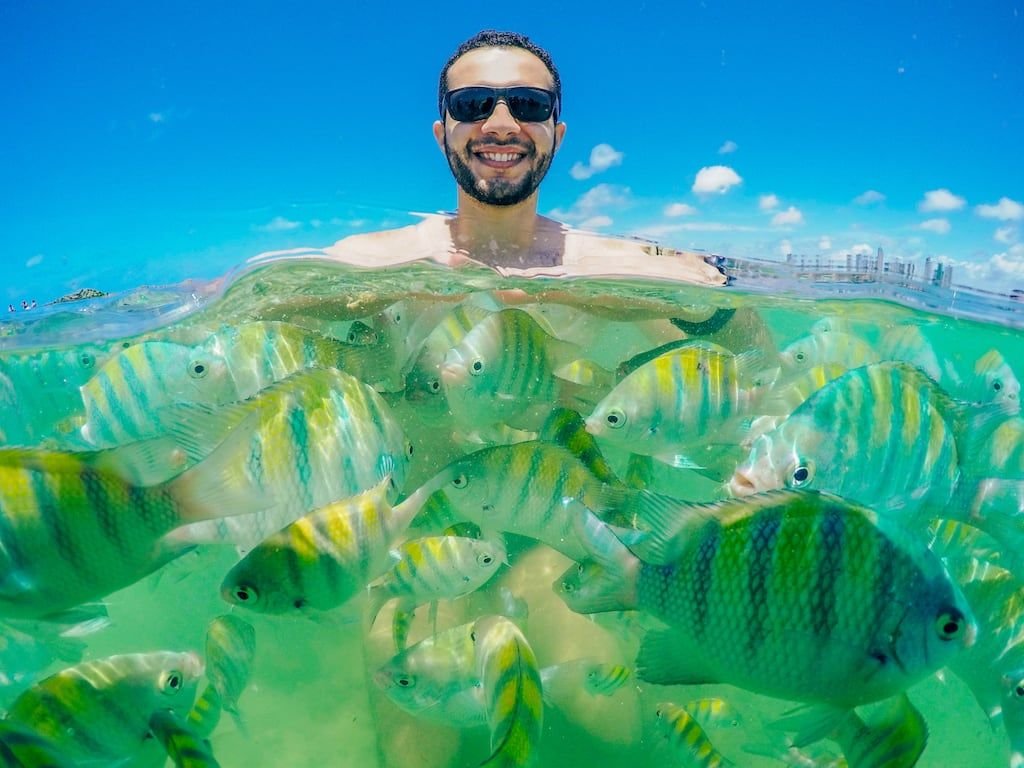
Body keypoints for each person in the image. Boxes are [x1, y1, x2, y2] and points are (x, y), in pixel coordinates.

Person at [323, 30, 725, 286]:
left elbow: (746, 363)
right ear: (441, 135)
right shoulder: (366, 261)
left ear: (558, 136)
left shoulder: (622, 268)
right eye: (472, 103)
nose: (501, 124)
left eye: (528, 104)